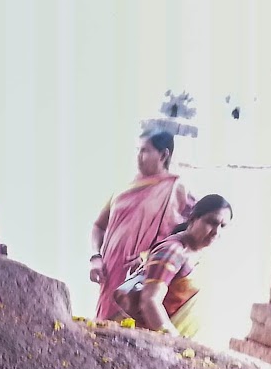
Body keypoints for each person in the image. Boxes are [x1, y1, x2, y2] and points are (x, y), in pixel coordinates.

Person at [90, 130, 193, 322]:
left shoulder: (176, 188)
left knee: (129, 330)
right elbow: (98, 226)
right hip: (110, 272)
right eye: (138, 150)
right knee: (102, 328)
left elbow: (191, 237)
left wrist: (149, 258)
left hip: (144, 276)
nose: (139, 156)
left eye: (145, 151)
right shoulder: (124, 187)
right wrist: (96, 257)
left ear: (164, 155)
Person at [121, 194, 231, 339]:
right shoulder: (174, 251)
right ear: (193, 218)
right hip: (152, 341)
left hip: (182, 339)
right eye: (211, 222)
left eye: (223, 226)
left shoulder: (199, 254)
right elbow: (149, 301)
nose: (216, 232)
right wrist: (175, 341)